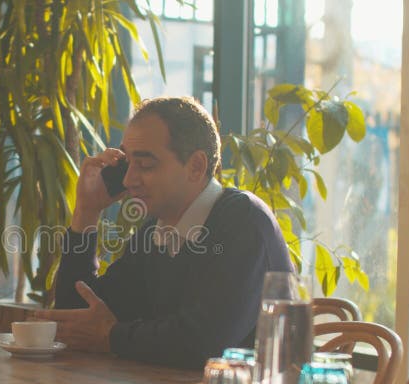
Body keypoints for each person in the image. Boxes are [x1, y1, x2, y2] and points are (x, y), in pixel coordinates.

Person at [33, 97, 293, 369]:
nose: (127, 180)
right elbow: (75, 315)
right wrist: (86, 213)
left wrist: (111, 336)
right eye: (127, 164)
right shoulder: (156, 232)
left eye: (145, 165)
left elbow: (204, 344)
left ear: (195, 166)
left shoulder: (244, 222)